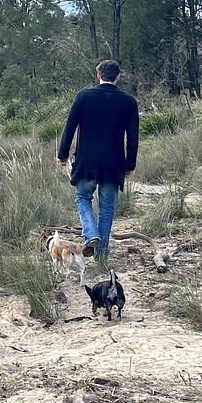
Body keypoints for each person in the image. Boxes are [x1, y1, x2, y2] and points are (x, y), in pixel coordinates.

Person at [56, 60, 139, 263]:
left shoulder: (84, 97)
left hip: (87, 162)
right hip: (114, 164)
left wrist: (63, 154)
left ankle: (91, 234)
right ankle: (101, 255)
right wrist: (130, 164)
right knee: (107, 207)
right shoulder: (128, 101)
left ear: (98, 75)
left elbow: (70, 128)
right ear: (118, 77)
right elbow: (133, 136)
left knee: (83, 198)